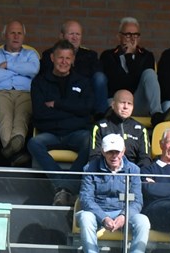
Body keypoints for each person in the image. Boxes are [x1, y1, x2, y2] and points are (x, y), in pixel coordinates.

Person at [75, 133, 151, 253]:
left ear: (123, 151)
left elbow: (137, 201)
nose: (114, 156)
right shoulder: (90, 168)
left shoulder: (134, 170)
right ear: (103, 151)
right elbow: (86, 199)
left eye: (117, 151)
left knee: (143, 220)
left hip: (124, 212)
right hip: (98, 212)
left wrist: (124, 215)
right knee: (85, 217)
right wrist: (103, 218)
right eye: (110, 152)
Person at [29, 43, 97, 205]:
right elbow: (39, 114)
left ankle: (62, 187)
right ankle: (66, 185)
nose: (64, 62)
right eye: (60, 57)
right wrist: (72, 112)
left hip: (76, 133)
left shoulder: (83, 82)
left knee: (91, 141)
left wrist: (58, 105)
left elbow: (87, 110)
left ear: (73, 59)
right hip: (50, 133)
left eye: (68, 58)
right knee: (34, 143)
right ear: (52, 58)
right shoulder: (40, 82)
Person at [0, 19, 39, 164]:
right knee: (5, 116)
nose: (16, 36)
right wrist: (20, 71)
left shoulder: (31, 54)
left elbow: (33, 70)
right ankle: (16, 148)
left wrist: (7, 66)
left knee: (22, 115)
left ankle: (11, 151)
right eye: (12, 33)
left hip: (25, 93)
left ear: (24, 36)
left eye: (19, 33)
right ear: (4, 35)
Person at [40, 20, 108, 114]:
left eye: (78, 34)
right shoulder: (50, 54)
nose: (75, 38)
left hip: (83, 93)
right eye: (71, 34)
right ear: (61, 36)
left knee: (100, 77)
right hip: (58, 93)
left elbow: (98, 77)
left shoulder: (90, 55)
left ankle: (100, 116)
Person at [102, 16, 162, 118]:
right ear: (119, 36)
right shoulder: (108, 56)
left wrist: (129, 57)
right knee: (108, 104)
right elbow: (114, 83)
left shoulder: (147, 56)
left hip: (137, 103)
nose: (133, 39)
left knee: (150, 73)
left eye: (136, 35)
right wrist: (128, 57)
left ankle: (157, 114)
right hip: (116, 103)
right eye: (128, 35)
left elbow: (136, 84)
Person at [90, 89, 152, 168]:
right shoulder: (99, 127)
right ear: (113, 104)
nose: (126, 107)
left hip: (133, 174)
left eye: (129, 104)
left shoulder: (140, 129)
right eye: (122, 103)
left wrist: (140, 177)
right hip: (106, 173)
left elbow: (145, 159)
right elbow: (95, 157)